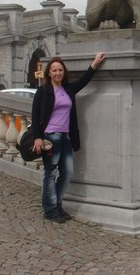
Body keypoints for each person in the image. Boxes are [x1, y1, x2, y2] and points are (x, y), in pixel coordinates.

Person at [31, 52, 106, 223]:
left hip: (65, 137)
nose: (57, 73)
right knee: (50, 174)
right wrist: (37, 137)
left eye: (60, 70)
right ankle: (50, 210)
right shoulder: (43, 91)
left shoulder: (68, 89)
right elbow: (35, 115)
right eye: (54, 70)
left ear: (64, 72)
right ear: (49, 73)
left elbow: (84, 81)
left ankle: (57, 205)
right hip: (50, 137)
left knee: (67, 173)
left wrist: (95, 63)